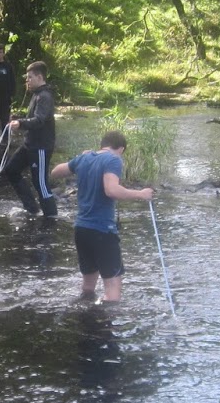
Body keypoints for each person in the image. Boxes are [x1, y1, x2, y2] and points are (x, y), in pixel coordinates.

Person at [50, 129, 154, 304]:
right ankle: (103, 328)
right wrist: (141, 194)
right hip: (102, 231)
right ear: (121, 149)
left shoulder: (85, 158)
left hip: (81, 229)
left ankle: (85, 321)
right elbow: (111, 190)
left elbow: (55, 172)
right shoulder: (113, 159)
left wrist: (79, 158)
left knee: (88, 288)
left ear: (102, 145)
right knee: (112, 293)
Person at [0, 60, 58, 219]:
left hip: (40, 147)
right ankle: (32, 208)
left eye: (30, 77)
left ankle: (51, 216)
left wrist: (20, 123)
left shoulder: (44, 97)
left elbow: (39, 120)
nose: (27, 81)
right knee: (11, 170)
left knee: (41, 184)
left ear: (39, 77)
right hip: (29, 144)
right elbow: (33, 118)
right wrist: (19, 119)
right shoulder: (37, 95)